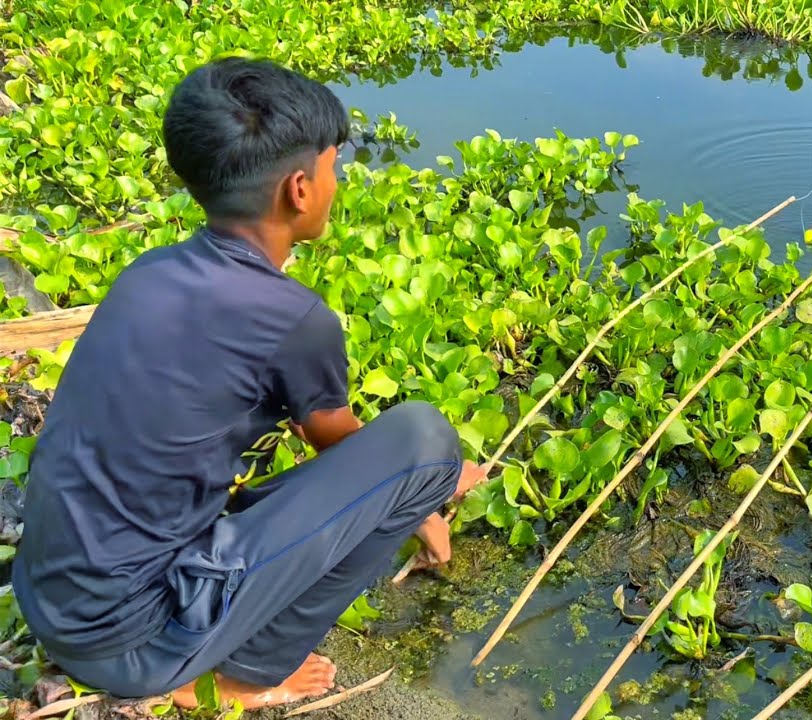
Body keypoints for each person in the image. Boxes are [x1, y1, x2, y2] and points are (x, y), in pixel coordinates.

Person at [11, 56, 488, 710]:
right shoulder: (298, 320)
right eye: (333, 166)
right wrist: (429, 490)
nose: (335, 180)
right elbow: (342, 445)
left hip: (52, 598)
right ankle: (249, 673)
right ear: (299, 189)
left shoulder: (148, 273)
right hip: (131, 641)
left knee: (407, 461)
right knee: (427, 440)